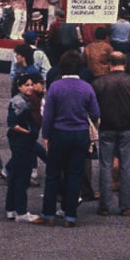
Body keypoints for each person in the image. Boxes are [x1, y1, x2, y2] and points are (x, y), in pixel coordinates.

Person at [34, 50, 99, 228]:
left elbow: (48, 115)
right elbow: (95, 113)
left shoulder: (55, 87)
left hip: (59, 132)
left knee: (53, 174)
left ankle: (48, 214)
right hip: (80, 133)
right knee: (75, 174)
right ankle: (70, 215)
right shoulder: (87, 87)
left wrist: (46, 135)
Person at [92, 51, 130, 216]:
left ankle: (104, 205)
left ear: (110, 64)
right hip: (128, 127)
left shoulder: (99, 82)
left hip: (106, 126)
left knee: (105, 166)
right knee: (126, 167)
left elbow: (94, 106)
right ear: (124, 62)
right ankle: (126, 205)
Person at [5, 71, 45, 222]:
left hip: (20, 141)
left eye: (31, 85)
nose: (30, 88)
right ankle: (21, 211)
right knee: (22, 175)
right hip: (22, 141)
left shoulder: (23, 99)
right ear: (19, 87)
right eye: (26, 85)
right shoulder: (20, 102)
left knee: (15, 175)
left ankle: (11, 208)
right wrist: (27, 131)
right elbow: (12, 123)